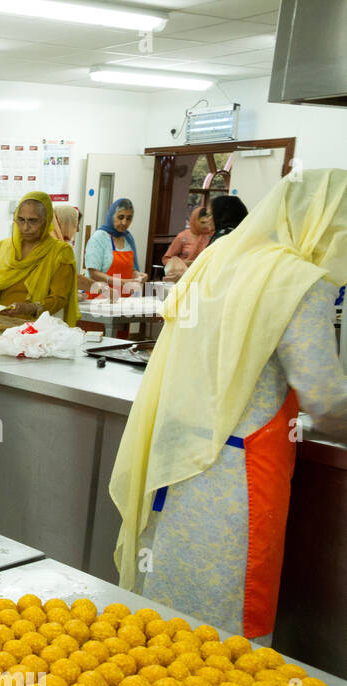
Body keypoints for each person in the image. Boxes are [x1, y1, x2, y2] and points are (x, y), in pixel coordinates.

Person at [110, 169, 347, 639]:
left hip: (181, 457)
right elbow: (324, 396)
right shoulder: (300, 283)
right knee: (233, 616)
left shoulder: (220, 257)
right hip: (242, 475)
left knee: (171, 608)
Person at [0, 190, 80, 327]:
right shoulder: (3, 247)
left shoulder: (60, 251)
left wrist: (29, 308)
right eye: (21, 220)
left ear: (46, 221)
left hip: (37, 329)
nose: (25, 228)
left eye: (33, 221)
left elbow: (59, 298)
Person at [84, 197, 148, 290]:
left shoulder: (128, 239)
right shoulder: (99, 237)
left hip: (123, 298)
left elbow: (131, 270)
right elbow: (93, 273)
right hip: (100, 295)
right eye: (120, 217)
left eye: (129, 218)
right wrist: (121, 282)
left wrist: (139, 275)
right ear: (111, 216)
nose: (124, 222)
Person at [162, 205, 213, 278]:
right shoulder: (182, 237)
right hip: (183, 275)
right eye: (202, 222)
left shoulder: (211, 236)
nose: (206, 226)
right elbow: (166, 259)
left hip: (204, 276)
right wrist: (182, 263)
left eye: (207, 222)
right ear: (194, 221)